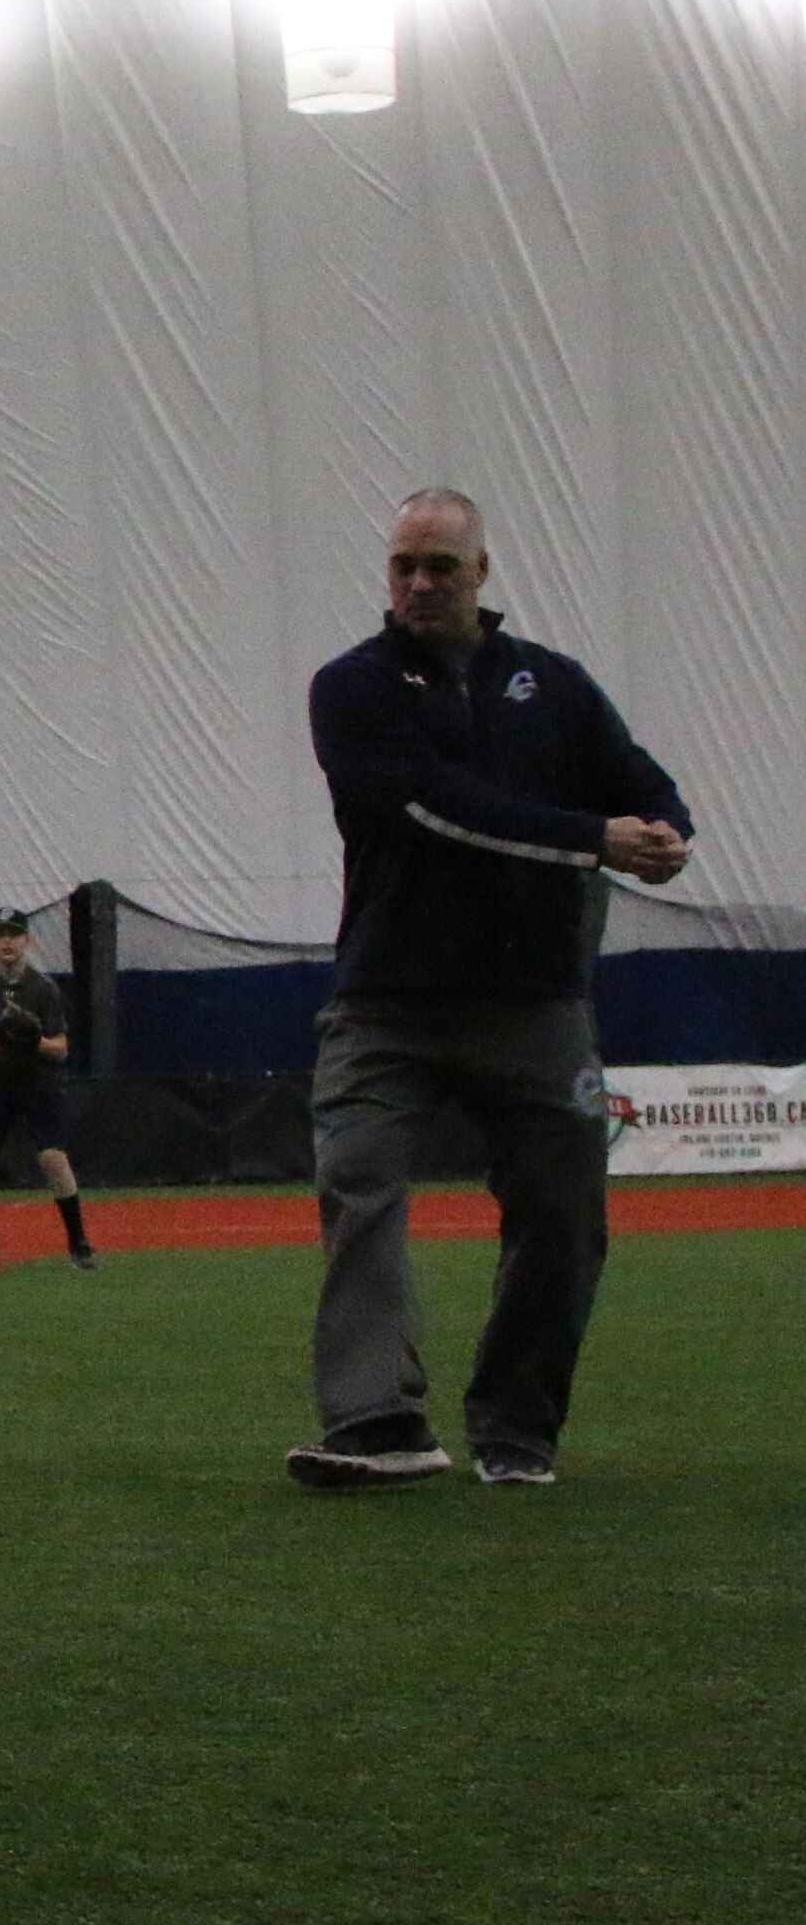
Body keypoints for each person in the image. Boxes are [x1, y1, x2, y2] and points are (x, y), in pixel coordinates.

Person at [290, 488, 693, 1489]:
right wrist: (591, 838)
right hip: (385, 1004)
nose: (417, 584)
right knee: (360, 1187)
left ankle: (515, 1429)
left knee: (564, 1216)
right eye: (401, 565)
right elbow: (433, 808)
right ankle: (375, 1423)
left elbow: (638, 784)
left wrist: (662, 834)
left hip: (535, 1006)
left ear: (480, 573)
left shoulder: (552, 687)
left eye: (438, 566)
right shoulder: (352, 689)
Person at [0, 909, 91, 1271]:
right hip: (0, 1079)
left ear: (27, 940)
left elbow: (60, 1048)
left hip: (38, 1080)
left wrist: (34, 1041)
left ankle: (78, 1241)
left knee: (51, 1158)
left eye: (14, 934)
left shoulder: (42, 988)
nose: (7, 941)